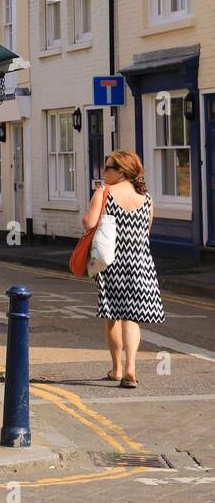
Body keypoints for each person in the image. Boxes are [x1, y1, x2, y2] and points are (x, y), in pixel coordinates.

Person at [82, 150, 164, 389]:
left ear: (120, 171)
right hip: (141, 262)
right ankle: (131, 368)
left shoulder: (104, 193)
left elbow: (89, 223)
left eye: (107, 168)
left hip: (112, 263)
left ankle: (116, 369)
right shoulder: (147, 198)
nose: (103, 172)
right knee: (133, 317)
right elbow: (146, 230)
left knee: (113, 316)